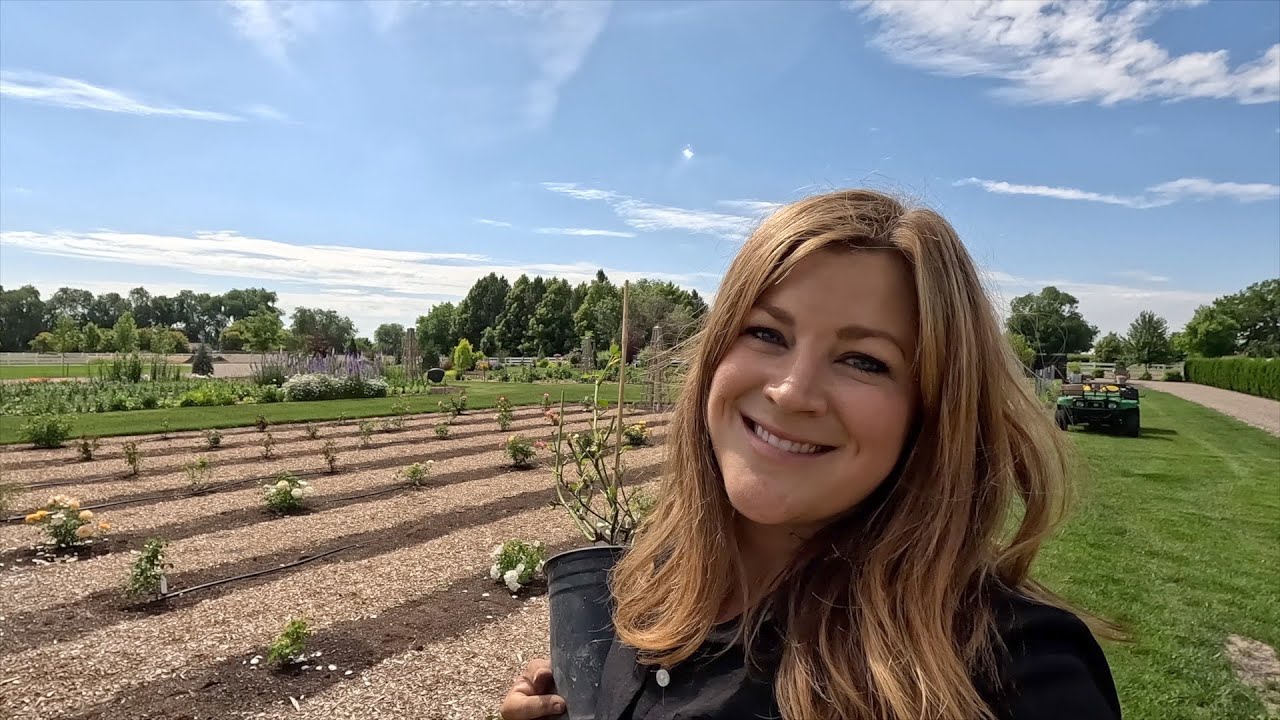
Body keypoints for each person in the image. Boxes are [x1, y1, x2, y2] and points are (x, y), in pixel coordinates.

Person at [500, 189, 1123, 720]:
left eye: (864, 361)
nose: (792, 392)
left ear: (934, 413)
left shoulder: (1008, 675)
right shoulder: (651, 585)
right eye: (766, 333)